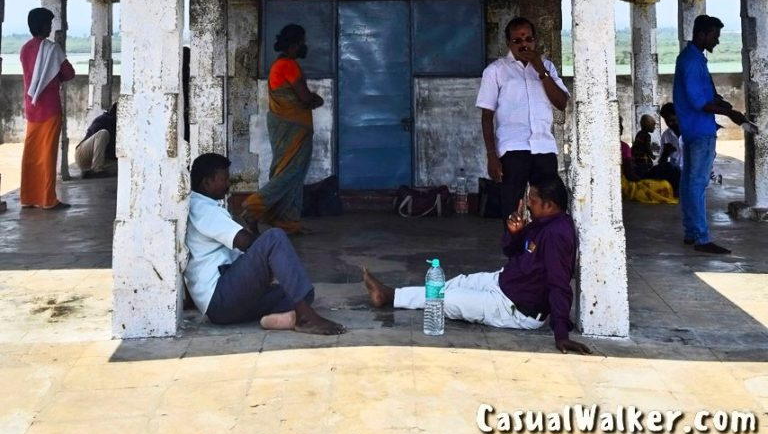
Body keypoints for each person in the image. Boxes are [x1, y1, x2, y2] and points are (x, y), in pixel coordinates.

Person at [363, 175, 589, 354]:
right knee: (454, 284)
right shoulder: (541, 223)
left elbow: (559, 284)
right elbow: (511, 252)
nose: (528, 204)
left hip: (514, 308)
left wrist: (561, 334)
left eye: (533, 200)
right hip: (501, 282)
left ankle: (390, 296)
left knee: (445, 300)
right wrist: (515, 233)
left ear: (549, 205)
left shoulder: (557, 235)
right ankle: (392, 295)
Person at [184, 152, 344, 335]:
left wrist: (254, 230)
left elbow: (248, 247)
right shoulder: (203, 209)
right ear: (207, 182)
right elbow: (244, 242)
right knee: (274, 238)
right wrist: (268, 255)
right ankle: (305, 318)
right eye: (224, 179)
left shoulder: (208, 206)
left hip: (227, 305)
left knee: (304, 294)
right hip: (220, 298)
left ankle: (282, 319)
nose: (228, 184)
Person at [477, 17, 569, 220]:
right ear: (509, 43)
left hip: (544, 147)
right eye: (517, 40)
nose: (524, 44)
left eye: (528, 39)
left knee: (549, 205)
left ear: (535, 41)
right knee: (512, 207)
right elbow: (486, 116)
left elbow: (561, 103)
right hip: (513, 149)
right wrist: (492, 155)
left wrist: (540, 70)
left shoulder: (547, 67)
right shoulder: (495, 71)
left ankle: (542, 247)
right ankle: (515, 250)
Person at [673, 14, 751, 254]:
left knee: (689, 183)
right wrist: (730, 114)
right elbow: (699, 103)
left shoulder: (692, 58)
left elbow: (704, 96)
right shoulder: (692, 61)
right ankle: (702, 238)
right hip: (700, 129)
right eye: (714, 36)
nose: (716, 41)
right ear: (702, 34)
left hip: (693, 128)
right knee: (697, 184)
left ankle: (691, 231)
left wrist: (723, 105)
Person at [242, 24, 322, 232]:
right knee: (290, 173)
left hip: (283, 125)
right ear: (294, 44)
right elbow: (305, 98)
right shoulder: (288, 65)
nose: (305, 45)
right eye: (302, 41)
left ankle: (287, 222)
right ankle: (252, 207)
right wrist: (316, 99)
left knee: (291, 172)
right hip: (293, 127)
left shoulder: (279, 65)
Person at [19, 7, 75, 209]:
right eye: (49, 24)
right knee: (48, 154)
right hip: (50, 108)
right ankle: (47, 199)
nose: (51, 27)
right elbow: (69, 73)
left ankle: (28, 198)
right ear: (43, 26)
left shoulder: (25, 49)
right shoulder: (52, 49)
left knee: (31, 154)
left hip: (31, 107)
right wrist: (56, 75)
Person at [74, 103, 117, 178]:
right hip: (83, 155)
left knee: (121, 168)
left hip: (100, 159)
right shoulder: (104, 119)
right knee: (103, 133)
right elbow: (98, 140)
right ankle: (96, 170)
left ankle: (89, 173)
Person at [659, 102, 683, 173]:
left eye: (673, 120)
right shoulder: (666, 135)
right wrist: (665, 154)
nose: (670, 124)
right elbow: (661, 162)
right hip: (675, 174)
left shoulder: (691, 132)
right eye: (667, 121)